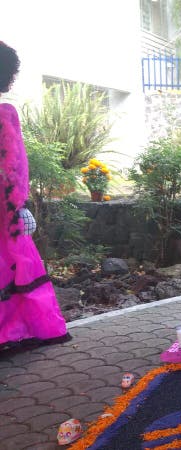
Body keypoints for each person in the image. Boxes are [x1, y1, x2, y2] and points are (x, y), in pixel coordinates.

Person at [0, 42, 70, 352]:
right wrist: (18, 204)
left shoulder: (6, 114)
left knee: (15, 264)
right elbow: (13, 165)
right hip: (6, 209)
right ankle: (19, 330)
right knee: (18, 265)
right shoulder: (5, 114)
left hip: (6, 208)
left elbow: (12, 166)